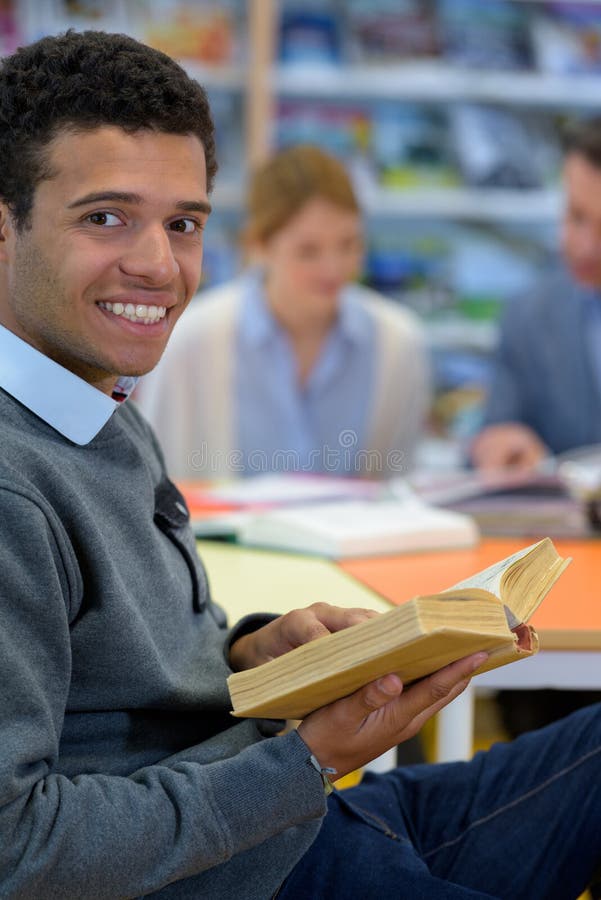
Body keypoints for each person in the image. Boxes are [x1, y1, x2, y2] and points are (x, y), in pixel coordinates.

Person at [1, 29, 601, 900]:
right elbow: (21, 851)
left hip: (292, 823)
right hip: (248, 862)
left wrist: (255, 649)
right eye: (105, 217)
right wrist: (310, 759)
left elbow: (131, 684)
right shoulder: (15, 485)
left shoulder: (96, 401)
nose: (159, 265)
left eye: (184, 223)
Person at [136, 144, 431, 481]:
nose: (333, 268)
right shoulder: (192, 340)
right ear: (259, 245)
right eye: (308, 251)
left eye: (349, 245)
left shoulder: (397, 343)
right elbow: (154, 484)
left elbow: (400, 490)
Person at [471, 115, 601, 471]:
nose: (586, 246)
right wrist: (499, 449)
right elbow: (490, 442)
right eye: (575, 217)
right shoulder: (529, 317)